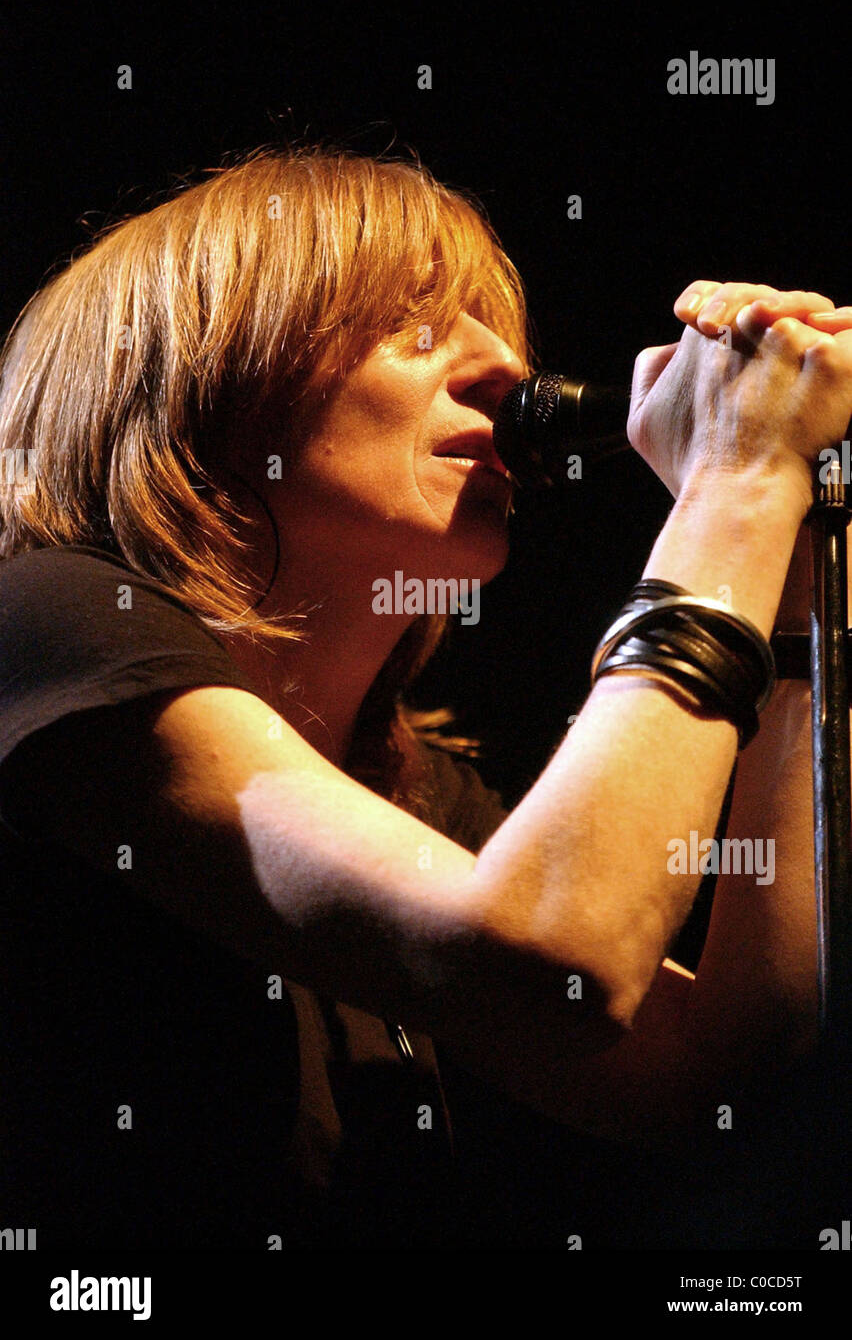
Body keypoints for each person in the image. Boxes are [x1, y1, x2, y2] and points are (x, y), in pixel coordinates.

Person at [0, 144, 850, 1249]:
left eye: (499, 328)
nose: (505, 365)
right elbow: (561, 952)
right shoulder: (40, 622)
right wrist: (735, 486)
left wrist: (795, 578)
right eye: (411, 325)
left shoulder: (418, 795)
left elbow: (716, 1073)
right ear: (203, 375)